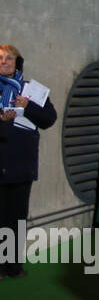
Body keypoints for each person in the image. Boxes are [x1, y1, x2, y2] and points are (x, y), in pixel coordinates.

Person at [0, 44, 58, 279]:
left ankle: (13, 266)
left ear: (18, 62)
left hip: (22, 166)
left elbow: (49, 118)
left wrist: (29, 106)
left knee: (17, 220)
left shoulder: (31, 90)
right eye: (1, 58)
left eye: (9, 58)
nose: (4, 62)